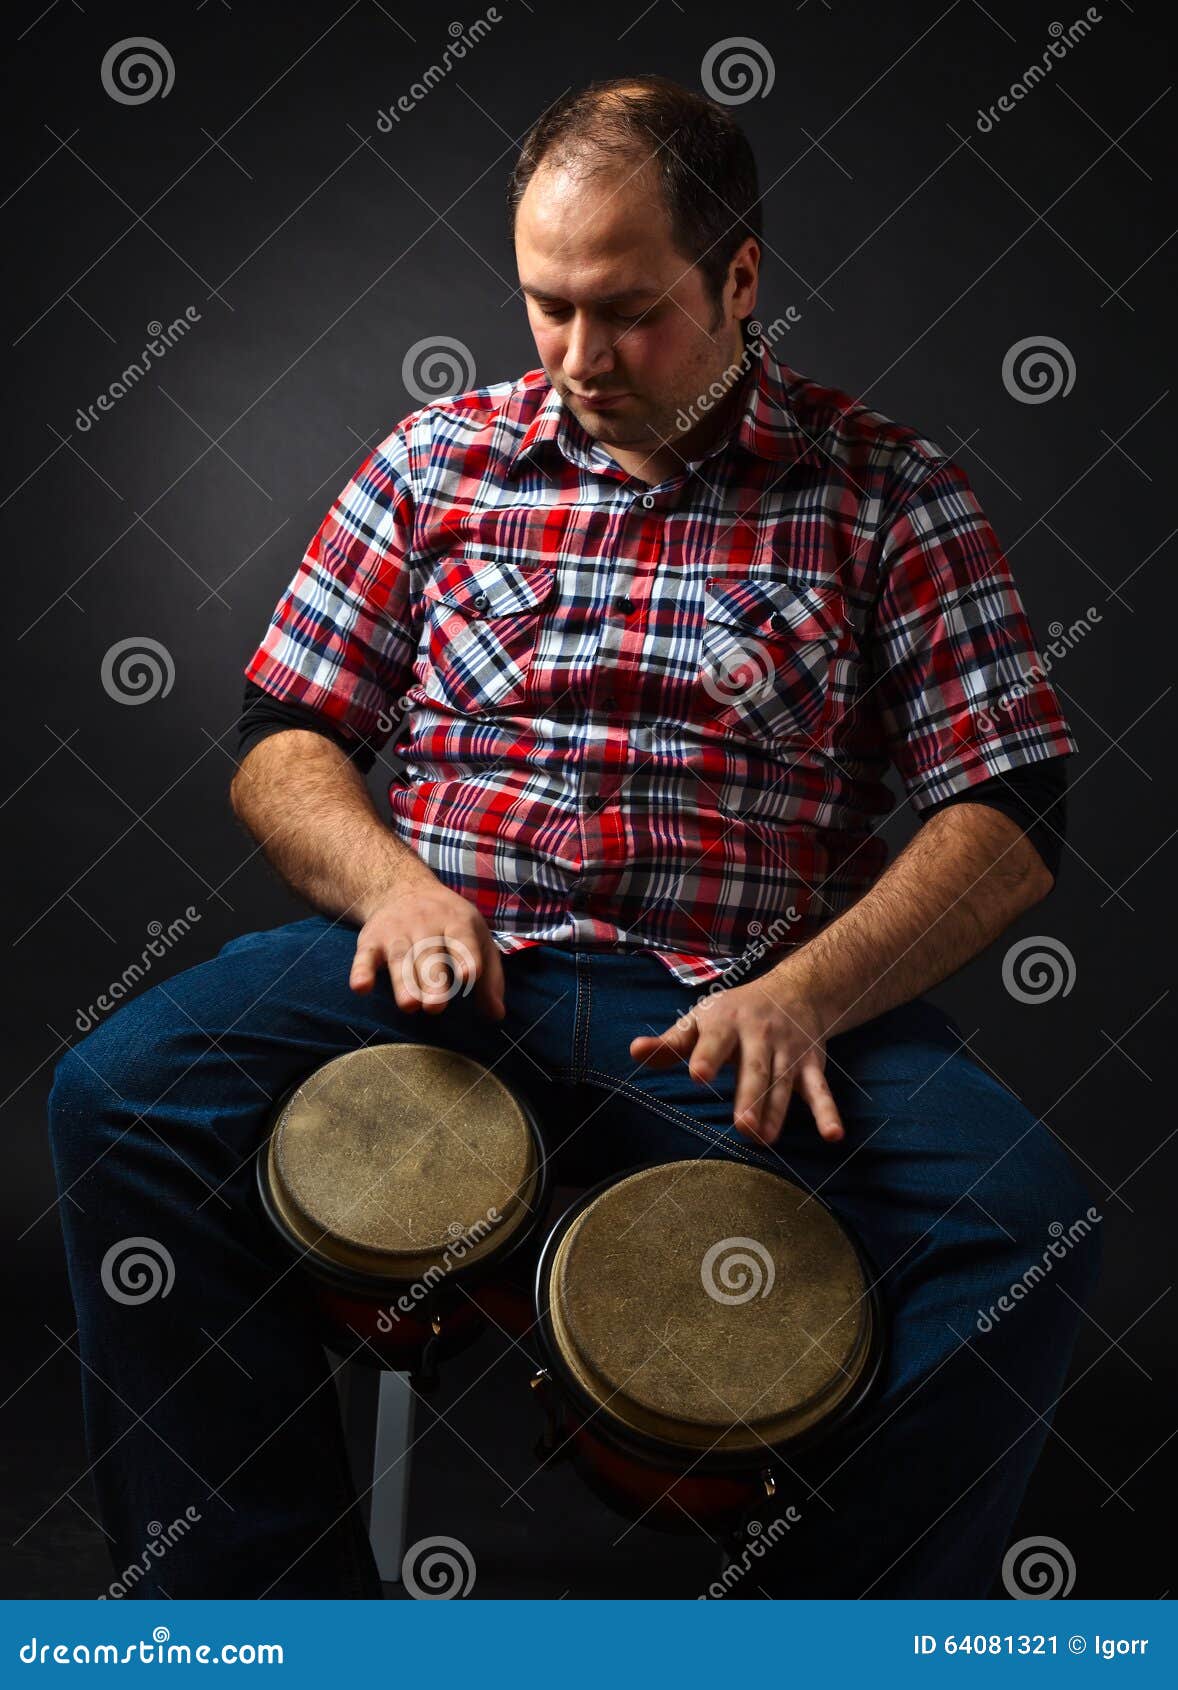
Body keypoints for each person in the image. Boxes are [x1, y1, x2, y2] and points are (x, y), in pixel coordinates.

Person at [48, 74, 1100, 1599]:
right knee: (121, 1093)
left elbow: (1009, 813)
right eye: (548, 306)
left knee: (1023, 1222)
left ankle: (823, 1636)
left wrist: (805, 995)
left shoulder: (888, 494)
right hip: (447, 972)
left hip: (737, 1003)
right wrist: (392, 890)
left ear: (738, 276)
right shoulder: (435, 461)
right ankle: (263, 1611)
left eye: (629, 312)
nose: (580, 358)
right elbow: (285, 736)